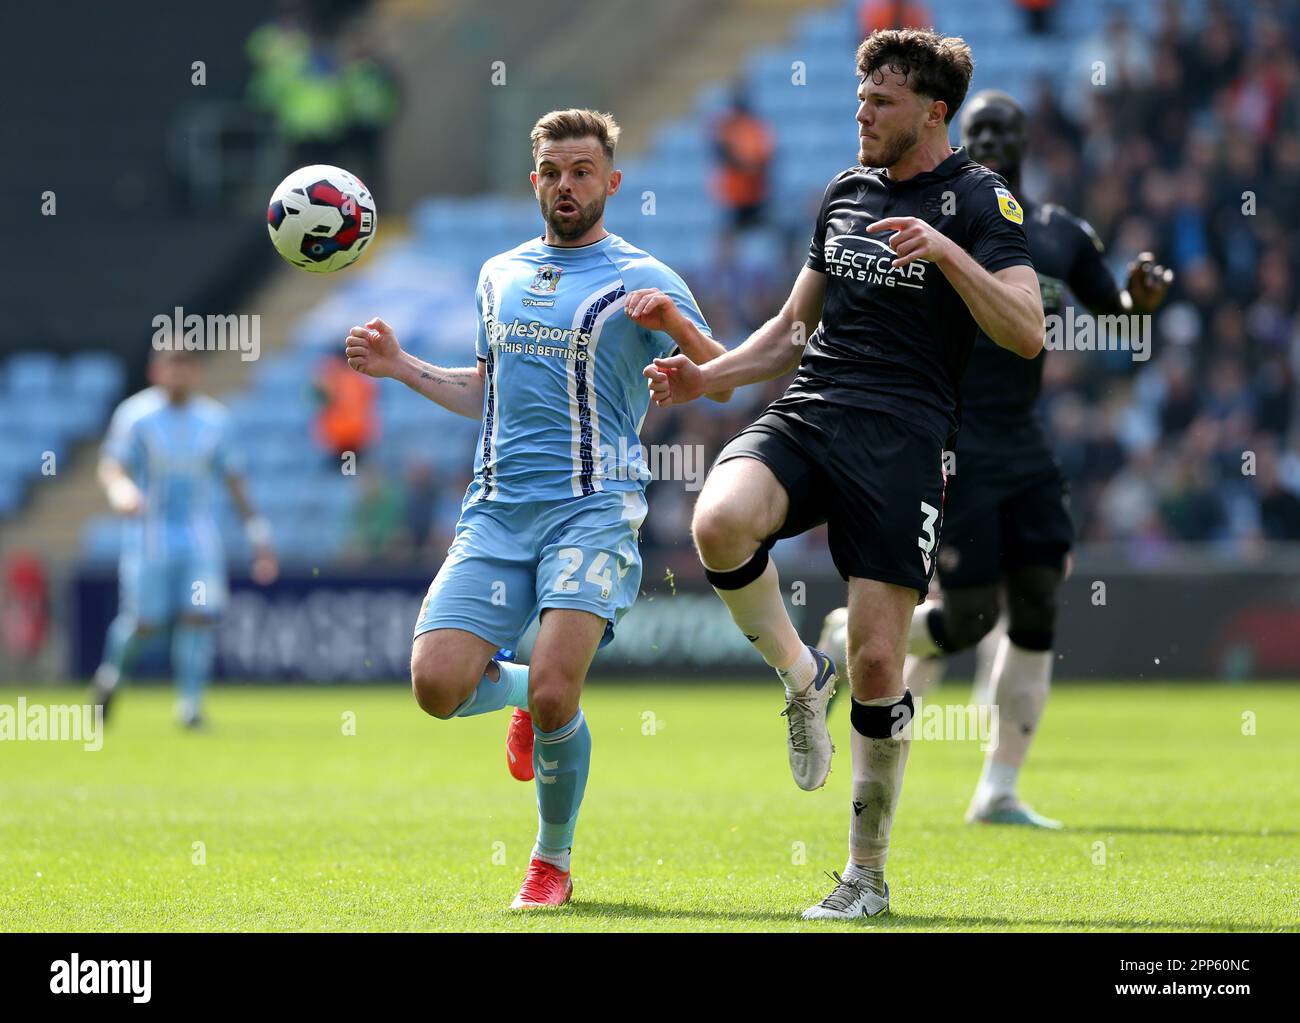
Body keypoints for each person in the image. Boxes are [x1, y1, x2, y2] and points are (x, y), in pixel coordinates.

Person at [644, 30, 1043, 920]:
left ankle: (866, 875)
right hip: (815, 407)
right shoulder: (843, 191)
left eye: (882, 101)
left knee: (876, 659)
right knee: (718, 521)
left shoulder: (983, 201)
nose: (862, 114)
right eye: (859, 99)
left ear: (933, 112)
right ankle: (797, 674)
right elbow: (790, 331)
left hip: (905, 439)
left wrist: (945, 254)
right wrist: (705, 377)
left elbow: (1025, 328)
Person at [343, 109, 731, 909]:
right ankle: (514, 694)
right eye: (553, 171)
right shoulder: (498, 274)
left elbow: (729, 375)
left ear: (612, 182)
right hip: (496, 512)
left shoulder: (642, 278)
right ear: (534, 181)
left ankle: (551, 860)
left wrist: (676, 328)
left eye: (582, 171)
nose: (566, 185)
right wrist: (399, 364)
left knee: (562, 692)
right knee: (435, 687)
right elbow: (488, 394)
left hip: (592, 510)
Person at [819, 90, 1173, 828]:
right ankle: (845, 637)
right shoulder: (935, 220)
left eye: (1010, 130)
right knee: (973, 614)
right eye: (983, 130)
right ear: (959, 135)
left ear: (1027, 142)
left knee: (1040, 596)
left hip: (1024, 438)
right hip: (951, 435)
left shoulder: (1056, 233)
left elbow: (1113, 317)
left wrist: (1139, 305)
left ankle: (999, 788)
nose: (997, 141)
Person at [91, 350, 278, 727]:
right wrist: (122, 491)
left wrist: (258, 535)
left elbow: (234, 479)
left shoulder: (214, 420)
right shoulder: (136, 416)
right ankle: (110, 678)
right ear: (156, 370)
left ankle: (190, 707)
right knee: (144, 622)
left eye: (186, 366)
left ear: (197, 372)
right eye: (172, 365)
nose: (178, 374)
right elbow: (112, 466)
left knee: (198, 616)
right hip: (150, 537)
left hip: (198, 539)